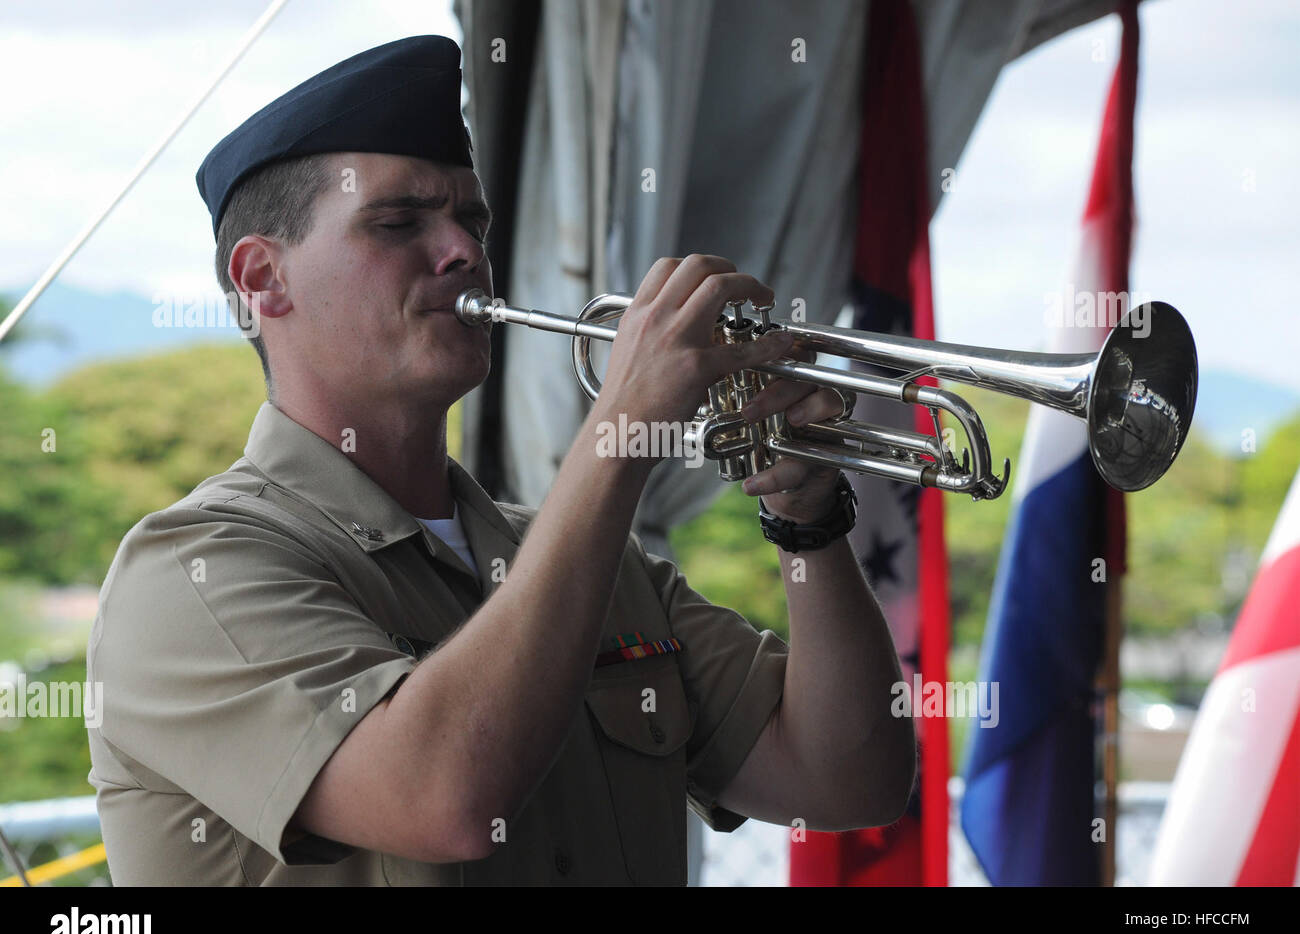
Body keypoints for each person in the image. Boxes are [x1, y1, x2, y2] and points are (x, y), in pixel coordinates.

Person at [86, 35, 914, 885]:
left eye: (471, 222)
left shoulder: (589, 561)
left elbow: (850, 779)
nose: (464, 251)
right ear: (263, 279)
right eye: (400, 222)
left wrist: (807, 520)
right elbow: (447, 799)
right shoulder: (187, 573)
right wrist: (622, 424)